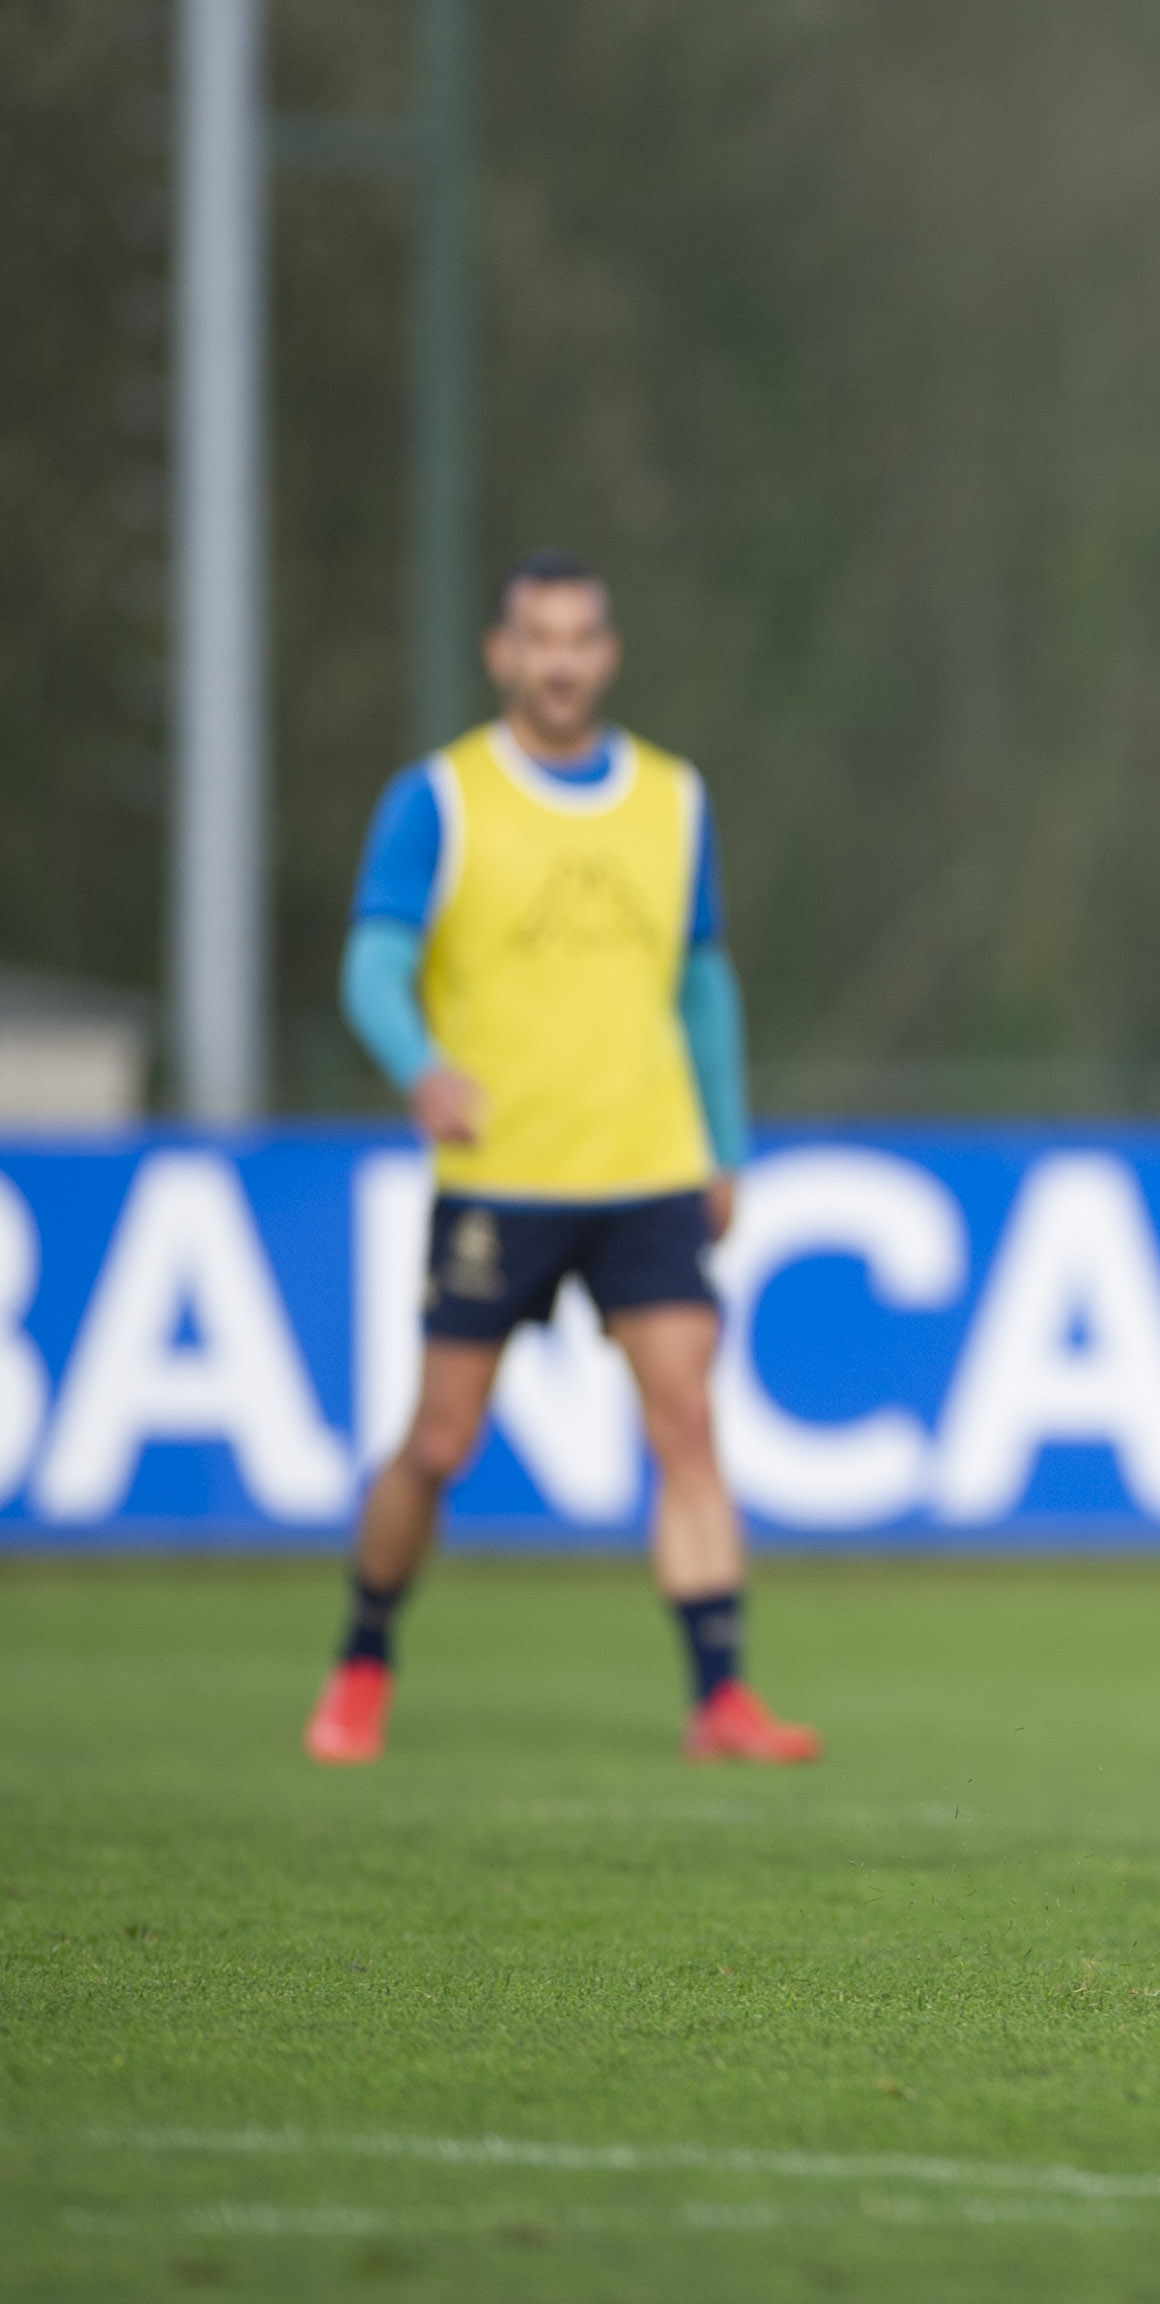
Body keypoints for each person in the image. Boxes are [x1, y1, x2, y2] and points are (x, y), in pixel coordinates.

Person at [302, 552, 814, 1767]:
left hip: (644, 1168)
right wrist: (418, 1062)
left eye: (581, 637)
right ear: (502, 653)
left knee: (686, 1422)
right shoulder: (441, 798)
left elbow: (702, 980)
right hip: (503, 1175)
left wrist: (724, 1143)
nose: (562, 660)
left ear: (608, 651)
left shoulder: (671, 797)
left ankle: (722, 1696)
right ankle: (364, 1656)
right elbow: (373, 960)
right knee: (440, 1442)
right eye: (540, 638)